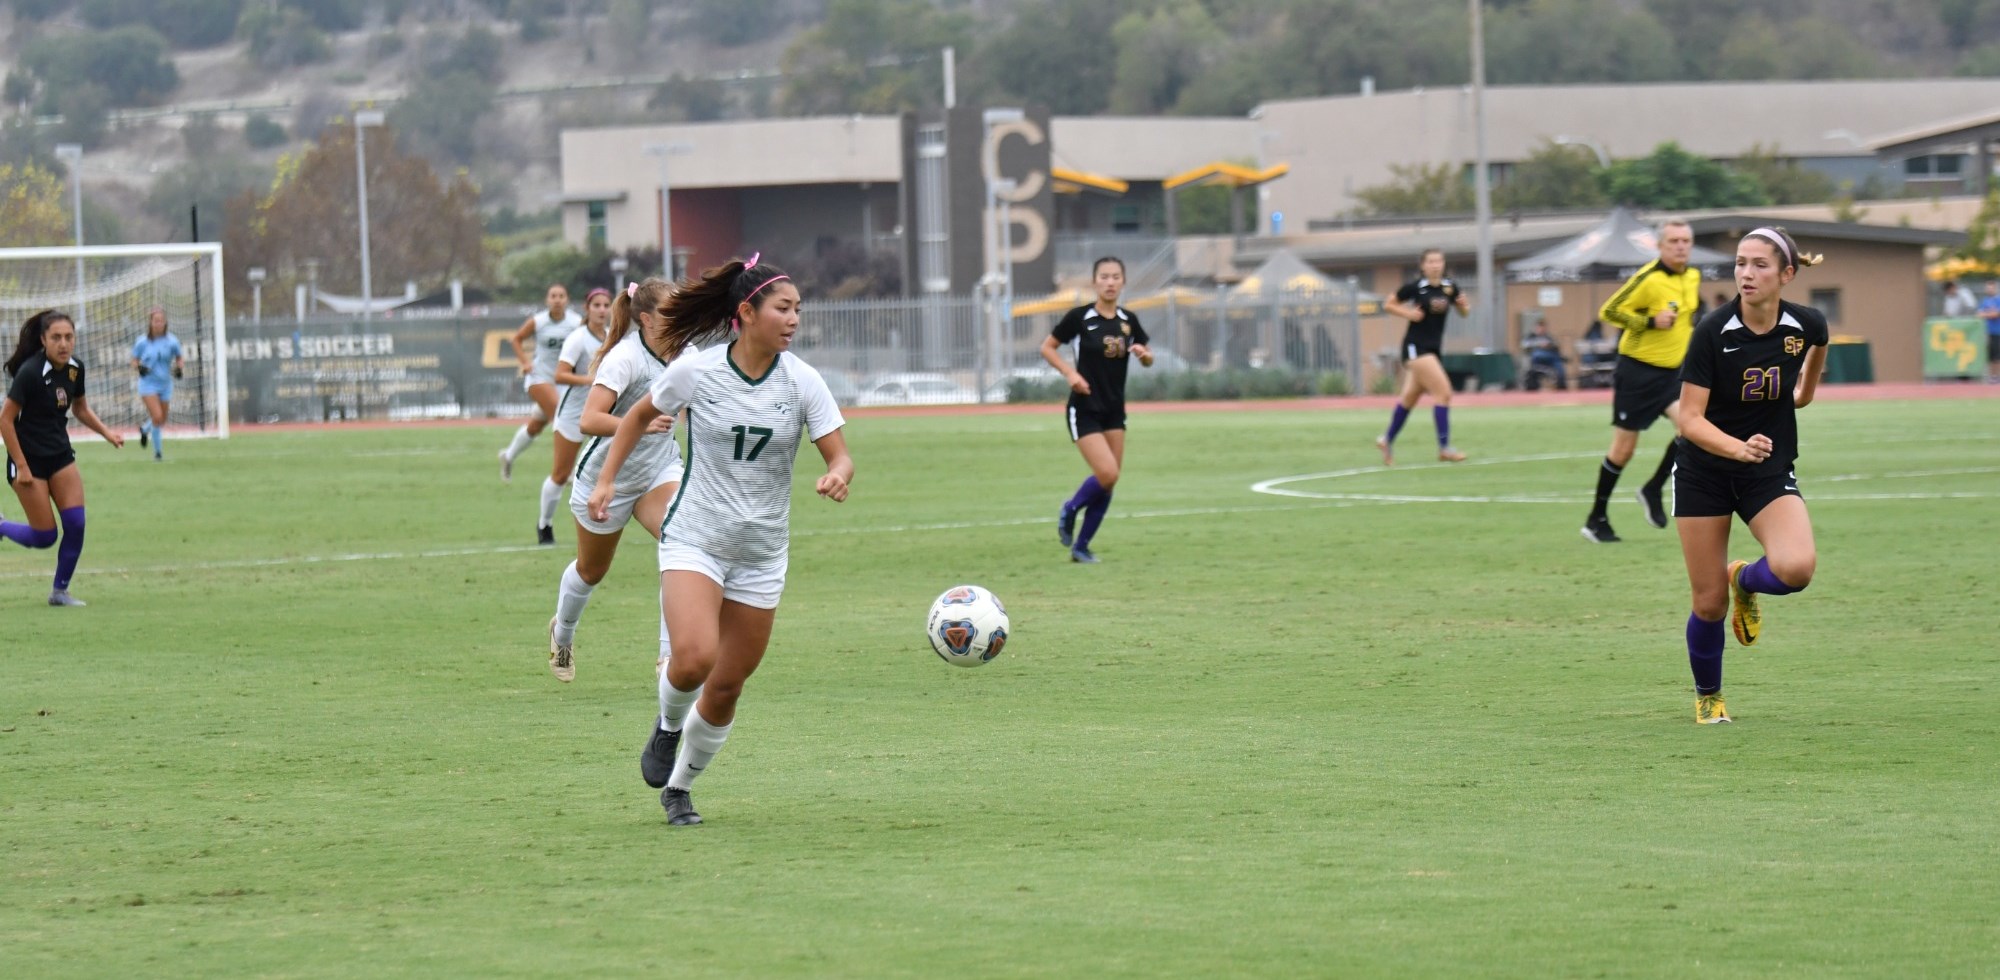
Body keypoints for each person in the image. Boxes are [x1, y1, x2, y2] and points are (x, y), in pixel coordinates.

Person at [589, 254, 852, 826]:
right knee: (693, 658)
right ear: (747, 312)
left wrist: (838, 474)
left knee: (727, 685)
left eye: (798, 310)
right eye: (783, 309)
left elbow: (840, 452)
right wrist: (607, 479)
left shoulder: (803, 381)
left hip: (761, 552)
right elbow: (634, 418)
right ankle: (666, 727)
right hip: (695, 538)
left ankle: (680, 789)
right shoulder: (697, 371)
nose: (793, 319)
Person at [1672, 227, 1828, 724]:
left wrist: (1792, 404)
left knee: (1796, 568)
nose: (1746, 273)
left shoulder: (1807, 325)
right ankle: (1709, 695)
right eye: (1740, 262)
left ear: (1786, 274)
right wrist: (1738, 447)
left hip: (1765, 470)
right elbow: (1690, 419)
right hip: (1704, 473)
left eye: (1760, 264)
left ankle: (1746, 579)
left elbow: (1805, 388)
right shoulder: (1711, 332)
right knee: (1709, 603)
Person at [545, 280, 687, 683]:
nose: (681, 317)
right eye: (670, 311)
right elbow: (589, 420)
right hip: (606, 478)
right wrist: (636, 423)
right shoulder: (625, 358)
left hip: (659, 471)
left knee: (681, 542)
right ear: (645, 319)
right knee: (592, 571)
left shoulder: (685, 353)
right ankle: (564, 632)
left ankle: (668, 658)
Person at [1581, 219, 1702, 543]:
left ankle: (1653, 488)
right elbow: (1610, 311)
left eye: (1685, 241)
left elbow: (1687, 322)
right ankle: (1596, 519)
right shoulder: (1648, 278)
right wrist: (1650, 321)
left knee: (1691, 429)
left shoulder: (1693, 276)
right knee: (1623, 450)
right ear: (1661, 246)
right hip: (1637, 372)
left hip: (1672, 373)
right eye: (1673, 241)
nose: (1680, 246)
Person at [1, 310, 125, 606]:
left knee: (76, 523)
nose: (63, 343)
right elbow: (5, 421)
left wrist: (107, 433)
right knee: (44, 536)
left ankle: (60, 591)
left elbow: (80, 408)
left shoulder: (74, 369)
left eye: (69, 337)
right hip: (28, 462)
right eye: (56, 337)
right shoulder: (30, 373)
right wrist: (21, 466)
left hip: (60, 457)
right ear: (43, 340)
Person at [1042, 256, 1152, 564]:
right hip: (1085, 408)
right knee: (1106, 472)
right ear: (1095, 282)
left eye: (1116, 276)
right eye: (1104, 276)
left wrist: (1144, 356)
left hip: (1114, 410)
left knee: (1110, 480)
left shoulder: (1128, 320)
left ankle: (1081, 547)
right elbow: (1047, 347)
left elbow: (1147, 356)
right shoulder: (1079, 317)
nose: (1110, 282)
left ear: (1123, 281)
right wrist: (1070, 373)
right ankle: (1070, 508)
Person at [1376, 248, 1470, 465]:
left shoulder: (1449, 287)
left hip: (1433, 349)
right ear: (1423, 265)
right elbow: (1388, 304)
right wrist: (1408, 313)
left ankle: (1386, 439)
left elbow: (1464, 312)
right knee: (1444, 392)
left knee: (1409, 399)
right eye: (1431, 261)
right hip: (1415, 348)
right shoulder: (1416, 288)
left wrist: (1464, 308)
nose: (1436, 265)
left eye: (1439, 260)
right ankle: (1445, 447)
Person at [536, 287, 612, 545]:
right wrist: (590, 380)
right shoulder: (578, 338)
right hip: (571, 415)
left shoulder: (614, 337)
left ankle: (599, 525)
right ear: (587, 309)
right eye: (597, 305)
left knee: (604, 471)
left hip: (600, 413)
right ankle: (544, 525)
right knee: (560, 474)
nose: (602, 310)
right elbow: (559, 375)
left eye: (606, 305)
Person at [497, 284, 582, 482]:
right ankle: (566, 470)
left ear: (567, 300)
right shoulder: (539, 321)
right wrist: (525, 363)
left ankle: (508, 456)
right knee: (562, 419)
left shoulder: (576, 323)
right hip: (540, 378)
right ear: (547, 300)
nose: (557, 299)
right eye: (553, 296)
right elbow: (516, 339)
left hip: (563, 381)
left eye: (561, 296)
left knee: (535, 426)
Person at [128, 307, 183, 462]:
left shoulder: (172, 341)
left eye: (161, 320)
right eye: (155, 320)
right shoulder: (142, 342)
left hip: (165, 384)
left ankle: (145, 430)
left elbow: (179, 357)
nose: (158, 323)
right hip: (148, 385)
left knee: (161, 419)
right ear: (150, 323)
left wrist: (179, 368)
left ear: (165, 322)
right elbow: (134, 360)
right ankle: (158, 454)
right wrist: (139, 367)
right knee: (157, 416)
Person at [1521, 317, 1567, 390]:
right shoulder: (1530, 337)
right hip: (1537, 359)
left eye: (1543, 328)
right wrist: (1539, 345)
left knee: (1558, 363)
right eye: (1539, 328)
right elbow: (1525, 346)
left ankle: (1561, 385)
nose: (1542, 330)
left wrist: (1549, 346)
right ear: (1536, 328)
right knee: (1537, 354)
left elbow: (1556, 346)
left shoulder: (1549, 337)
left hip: (1551, 359)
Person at [1978, 280, 2000, 383]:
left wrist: (1987, 314)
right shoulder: (1985, 301)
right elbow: (1979, 314)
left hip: (1997, 331)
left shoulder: (1998, 300)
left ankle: (1997, 376)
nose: (1989, 289)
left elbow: (1996, 314)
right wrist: (1989, 314)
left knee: (1997, 355)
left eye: (1991, 287)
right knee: (1990, 355)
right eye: (1987, 288)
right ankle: (1991, 376)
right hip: (1987, 332)